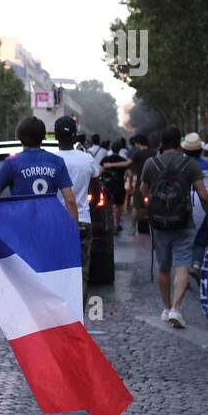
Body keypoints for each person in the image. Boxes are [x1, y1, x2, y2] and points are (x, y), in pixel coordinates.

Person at [141, 127, 208, 326]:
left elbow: (142, 190)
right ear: (179, 144)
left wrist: (152, 205)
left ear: (161, 144)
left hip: (158, 223)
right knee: (183, 264)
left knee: (163, 267)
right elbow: (203, 195)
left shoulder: (151, 163)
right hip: (184, 221)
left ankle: (166, 308)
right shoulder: (190, 164)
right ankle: (176, 308)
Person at [52, 117, 100, 302]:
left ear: (55, 135)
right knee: (82, 274)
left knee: (57, 272)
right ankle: (78, 318)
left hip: (56, 223)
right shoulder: (87, 160)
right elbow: (96, 193)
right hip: (82, 221)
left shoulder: (51, 160)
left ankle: (62, 318)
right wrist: (87, 209)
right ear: (75, 135)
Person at [180, 133, 208, 281]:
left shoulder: (180, 165)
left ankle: (183, 272)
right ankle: (196, 264)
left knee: (184, 238)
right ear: (200, 150)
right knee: (201, 238)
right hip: (205, 204)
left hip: (183, 204)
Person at [100, 137, 132, 233]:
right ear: (120, 149)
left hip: (107, 187)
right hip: (119, 186)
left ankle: (108, 224)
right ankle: (116, 225)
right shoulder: (123, 160)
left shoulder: (105, 159)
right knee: (118, 206)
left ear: (111, 148)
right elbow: (129, 174)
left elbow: (100, 172)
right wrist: (129, 184)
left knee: (107, 205)